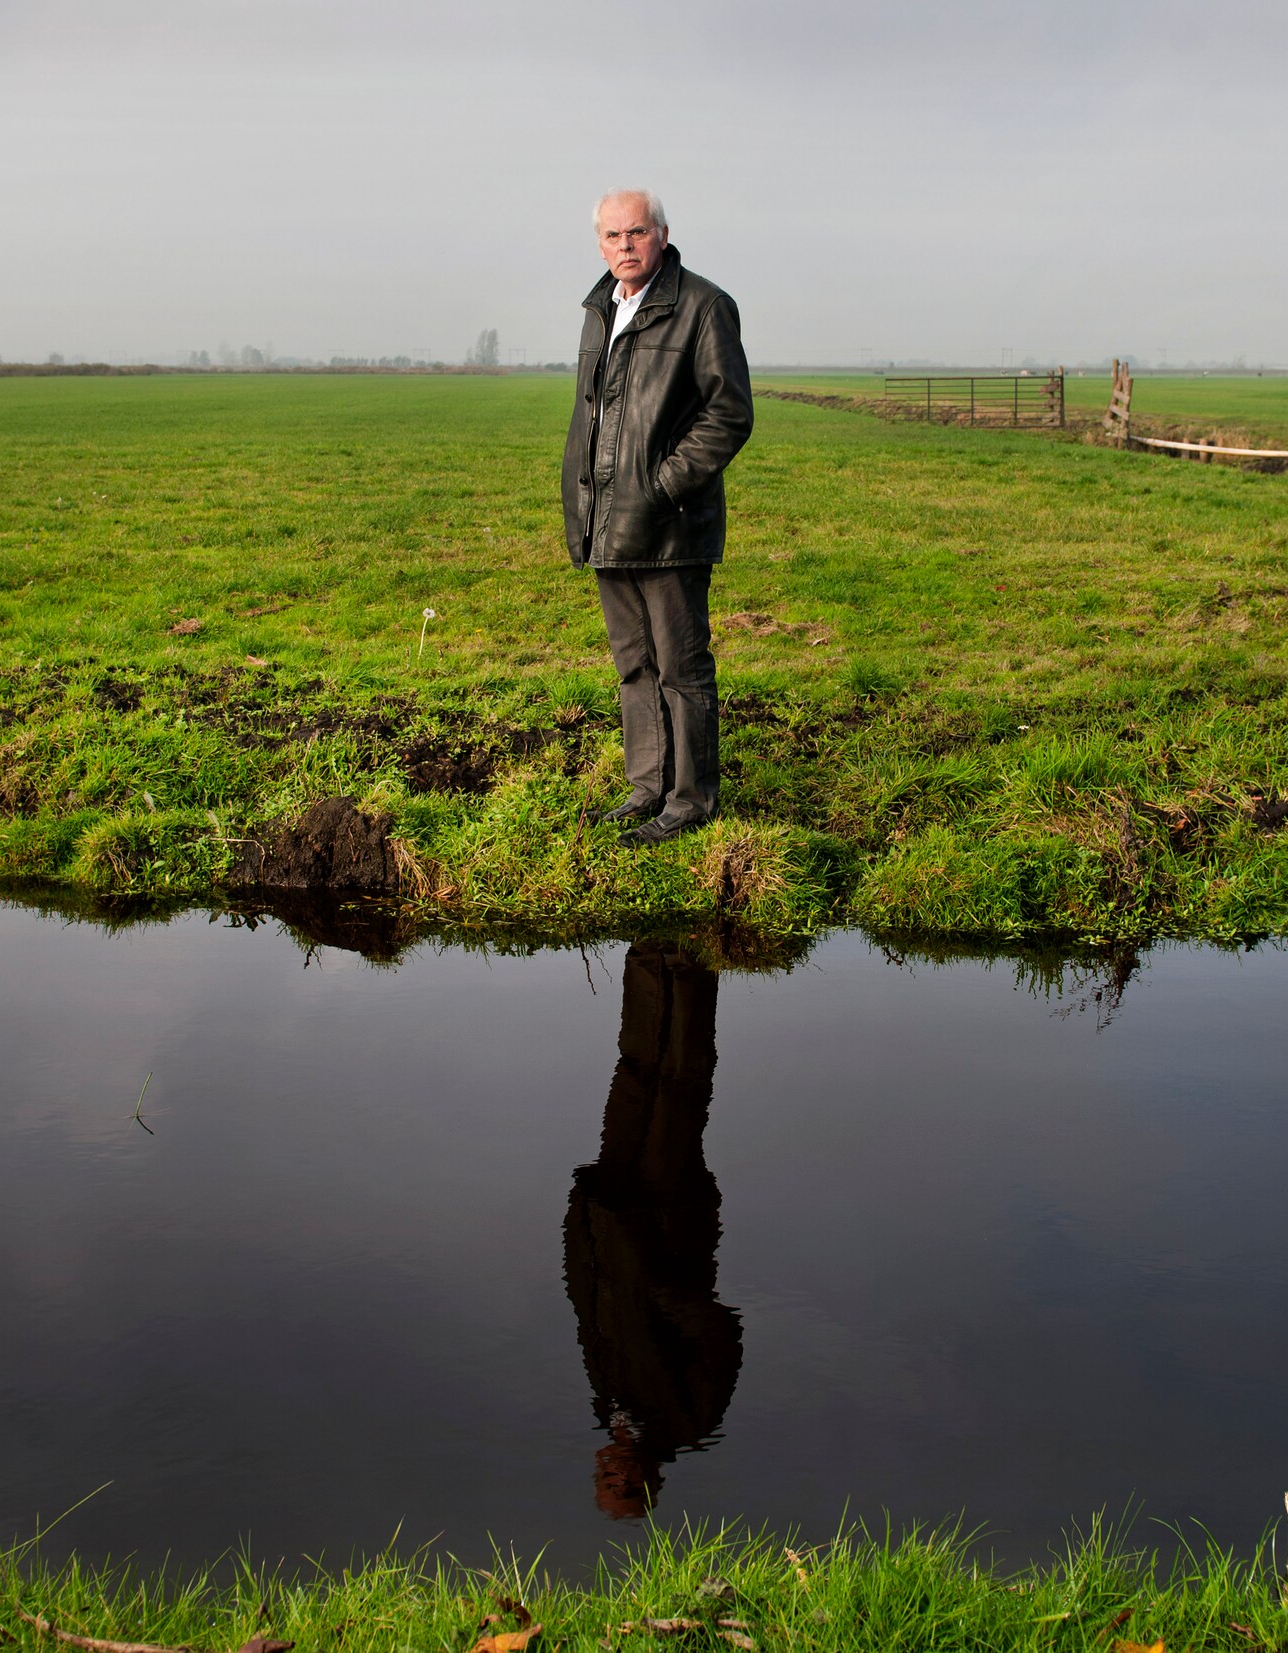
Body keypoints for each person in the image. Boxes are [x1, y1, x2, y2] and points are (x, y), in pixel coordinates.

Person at [561, 190, 753, 847]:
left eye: (636, 233)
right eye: (612, 236)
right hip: (608, 523)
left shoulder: (703, 305)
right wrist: (584, 506)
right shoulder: (600, 310)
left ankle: (690, 800)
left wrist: (662, 486)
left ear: (662, 235)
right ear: (599, 244)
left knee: (681, 667)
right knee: (634, 667)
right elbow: (594, 416)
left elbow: (728, 415)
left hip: (669, 525)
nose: (624, 246)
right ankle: (648, 789)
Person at [561, 941, 742, 1518]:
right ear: (645, 1480)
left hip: (620, 1214)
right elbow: (719, 1336)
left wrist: (582, 1226)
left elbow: (590, 1305)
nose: (610, 1466)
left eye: (606, 1476)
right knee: (671, 1085)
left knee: (648, 1080)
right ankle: (675, 951)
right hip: (667, 1219)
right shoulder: (691, 1420)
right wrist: (665, 1289)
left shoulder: (608, 1402)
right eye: (617, 1480)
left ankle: (667, 949)